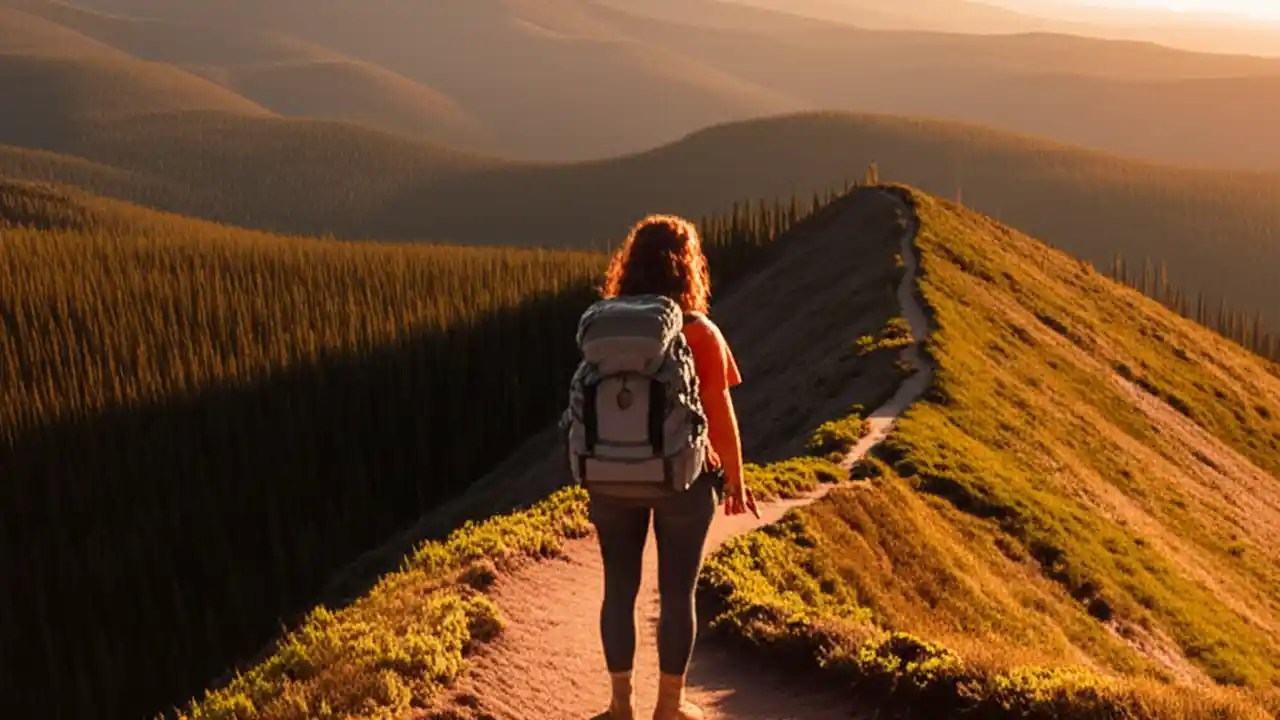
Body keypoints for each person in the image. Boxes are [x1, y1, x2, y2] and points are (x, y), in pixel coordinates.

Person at [590, 215, 756, 720]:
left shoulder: (604, 323)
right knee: (678, 590)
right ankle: (670, 706)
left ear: (630, 264)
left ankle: (620, 706)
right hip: (683, 480)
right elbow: (719, 410)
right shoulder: (699, 330)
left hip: (611, 477)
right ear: (688, 269)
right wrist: (735, 478)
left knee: (619, 586)